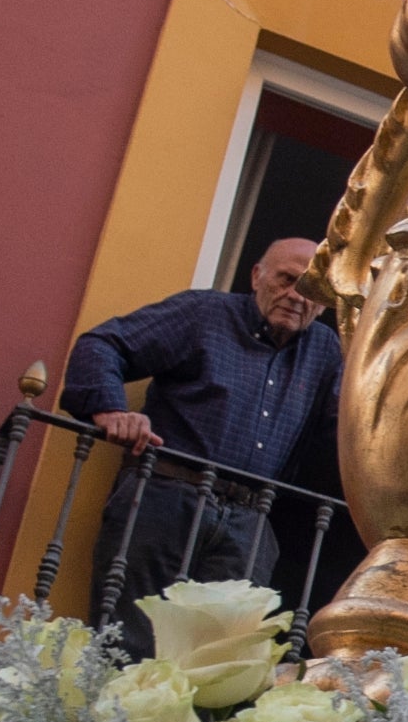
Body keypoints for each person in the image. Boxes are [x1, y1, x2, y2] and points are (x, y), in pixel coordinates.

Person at [61, 237, 344, 653]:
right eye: (285, 280)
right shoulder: (204, 314)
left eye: (311, 290)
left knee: (217, 663)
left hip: (250, 520)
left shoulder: (324, 352)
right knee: (128, 646)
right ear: (256, 276)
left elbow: (349, 430)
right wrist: (109, 410)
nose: (295, 297)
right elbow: (103, 345)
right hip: (166, 501)